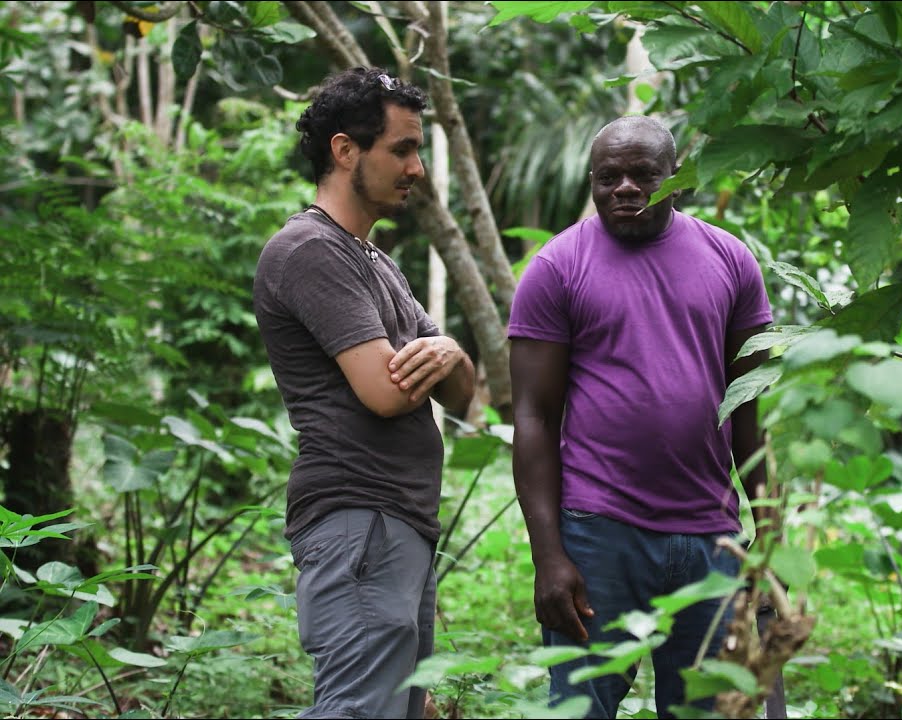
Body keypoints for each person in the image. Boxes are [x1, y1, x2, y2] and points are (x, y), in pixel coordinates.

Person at [508, 115, 774, 719]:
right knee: (582, 708)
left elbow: (750, 407)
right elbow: (534, 419)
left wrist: (771, 528)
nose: (624, 188)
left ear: (675, 179)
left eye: (641, 175)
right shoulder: (556, 267)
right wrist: (549, 556)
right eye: (608, 177)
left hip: (711, 536)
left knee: (711, 711)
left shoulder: (730, 260)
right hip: (599, 532)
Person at [253, 67, 475, 719]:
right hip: (359, 516)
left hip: (396, 523)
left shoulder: (379, 263)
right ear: (345, 150)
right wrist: (439, 359)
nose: (417, 169)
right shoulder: (308, 251)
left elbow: (465, 394)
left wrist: (453, 354)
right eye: (401, 149)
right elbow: (386, 390)